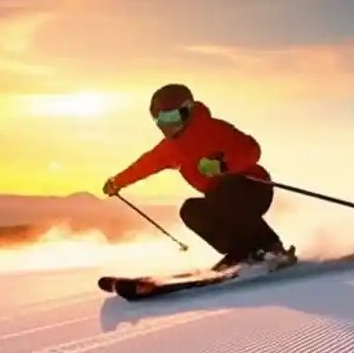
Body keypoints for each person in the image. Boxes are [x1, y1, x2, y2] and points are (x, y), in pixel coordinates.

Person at [103, 83, 292, 270]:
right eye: (160, 120)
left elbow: (251, 149)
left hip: (253, 189)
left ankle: (271, 247)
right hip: (220, 200)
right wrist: (117, 182)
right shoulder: (170, 149)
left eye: (171, 117)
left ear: (187, 110)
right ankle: (240, 251)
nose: (167, 125)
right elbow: (144, 166)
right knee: (191, 210)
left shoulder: (212, 129)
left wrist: (224, 165)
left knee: (225, 191)